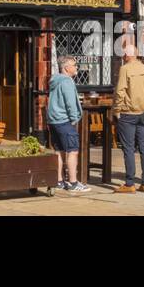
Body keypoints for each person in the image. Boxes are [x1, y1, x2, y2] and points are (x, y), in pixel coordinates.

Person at [112, 46, 144, 194]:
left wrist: (117, 110)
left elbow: (120, 91)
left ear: (126, 55)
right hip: (143, 112)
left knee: (128, 149)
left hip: (128, 113)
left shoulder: (126, 69)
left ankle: (130, 183)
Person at [46, 55, 89, 194]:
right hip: (64, 120)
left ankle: (58, 181)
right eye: (74, 64)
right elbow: (70, 103)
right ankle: (73, 182)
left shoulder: (55, 80)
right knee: (72, 150)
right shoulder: (66, 81)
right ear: (66, 68)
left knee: (59, 151)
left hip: (53, 120)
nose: (76, 67)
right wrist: (74, 119)